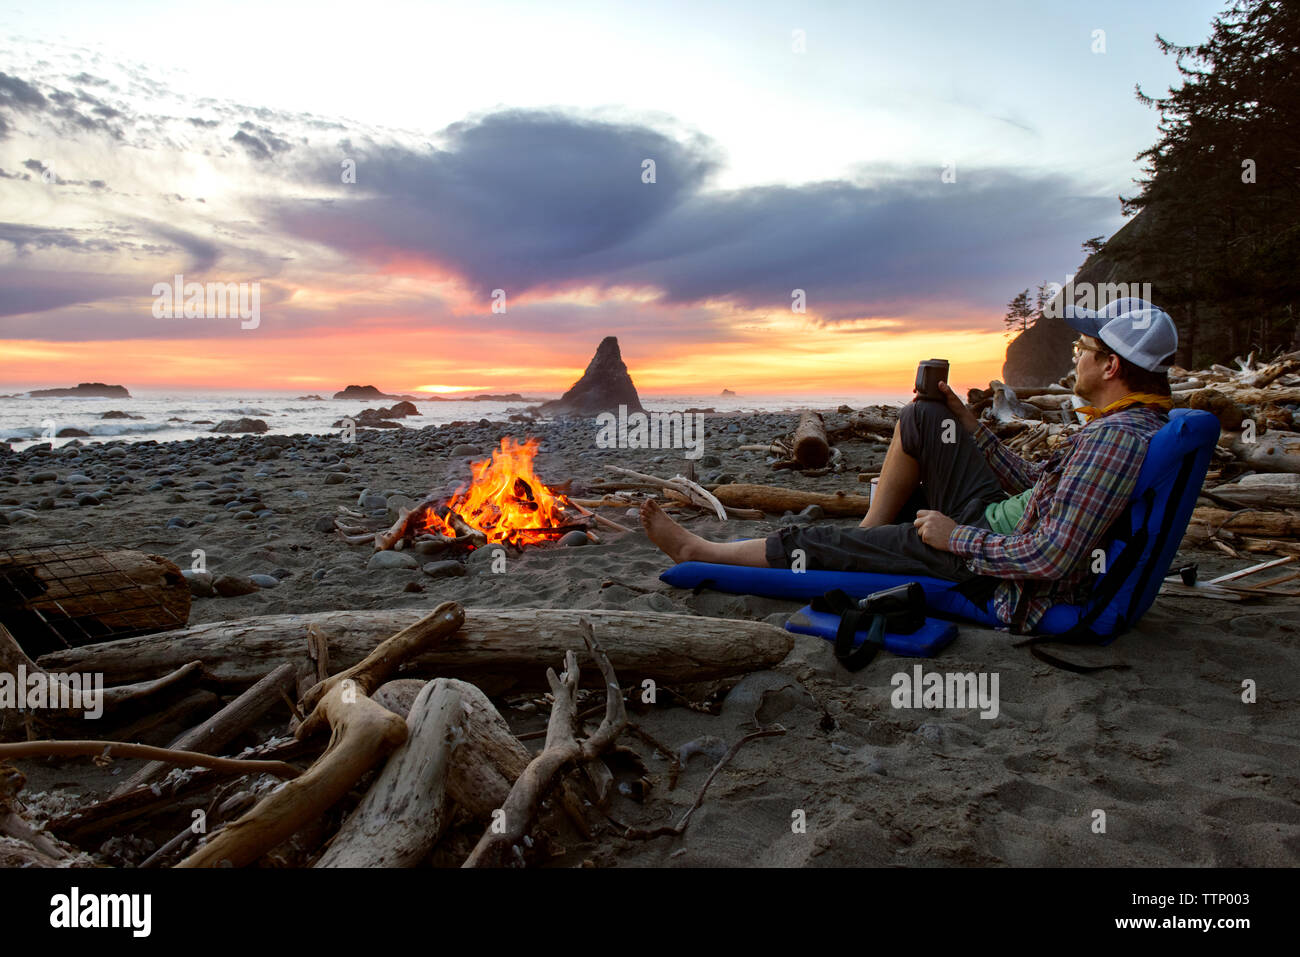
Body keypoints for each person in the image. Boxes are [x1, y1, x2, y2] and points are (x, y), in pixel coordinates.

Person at [641, 298, 1181, 632]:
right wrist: (971, 426)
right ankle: (870, 531)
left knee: (823, 542)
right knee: (925, 413)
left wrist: (953, 537)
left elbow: (1050, 556)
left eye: (1083, 348)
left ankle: (700, 551)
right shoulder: (1130, 423)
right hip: (998, 517)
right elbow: (1044, 489)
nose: (1074, 356)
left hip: (984, 562)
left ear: (1110, 366)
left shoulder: (1115, 441)